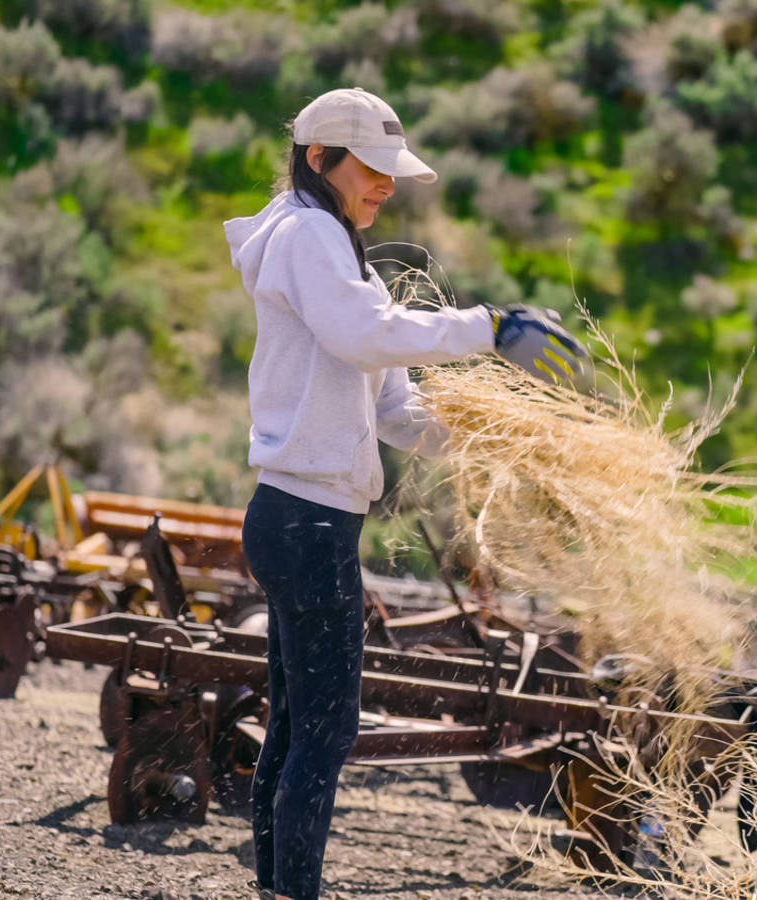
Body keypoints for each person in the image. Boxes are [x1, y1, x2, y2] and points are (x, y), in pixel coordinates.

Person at [223, 86, 587, 900]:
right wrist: (488, 329)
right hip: (306, 520)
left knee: (295, 726)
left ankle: (278, 890)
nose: (387, 186)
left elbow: (391, 407)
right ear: (319, 161)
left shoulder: (334, 250)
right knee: (327, 729)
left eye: (393, 173)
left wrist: (495, 441)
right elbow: (367, 334)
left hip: (302, 518)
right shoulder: (309, 235)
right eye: (373, 169)